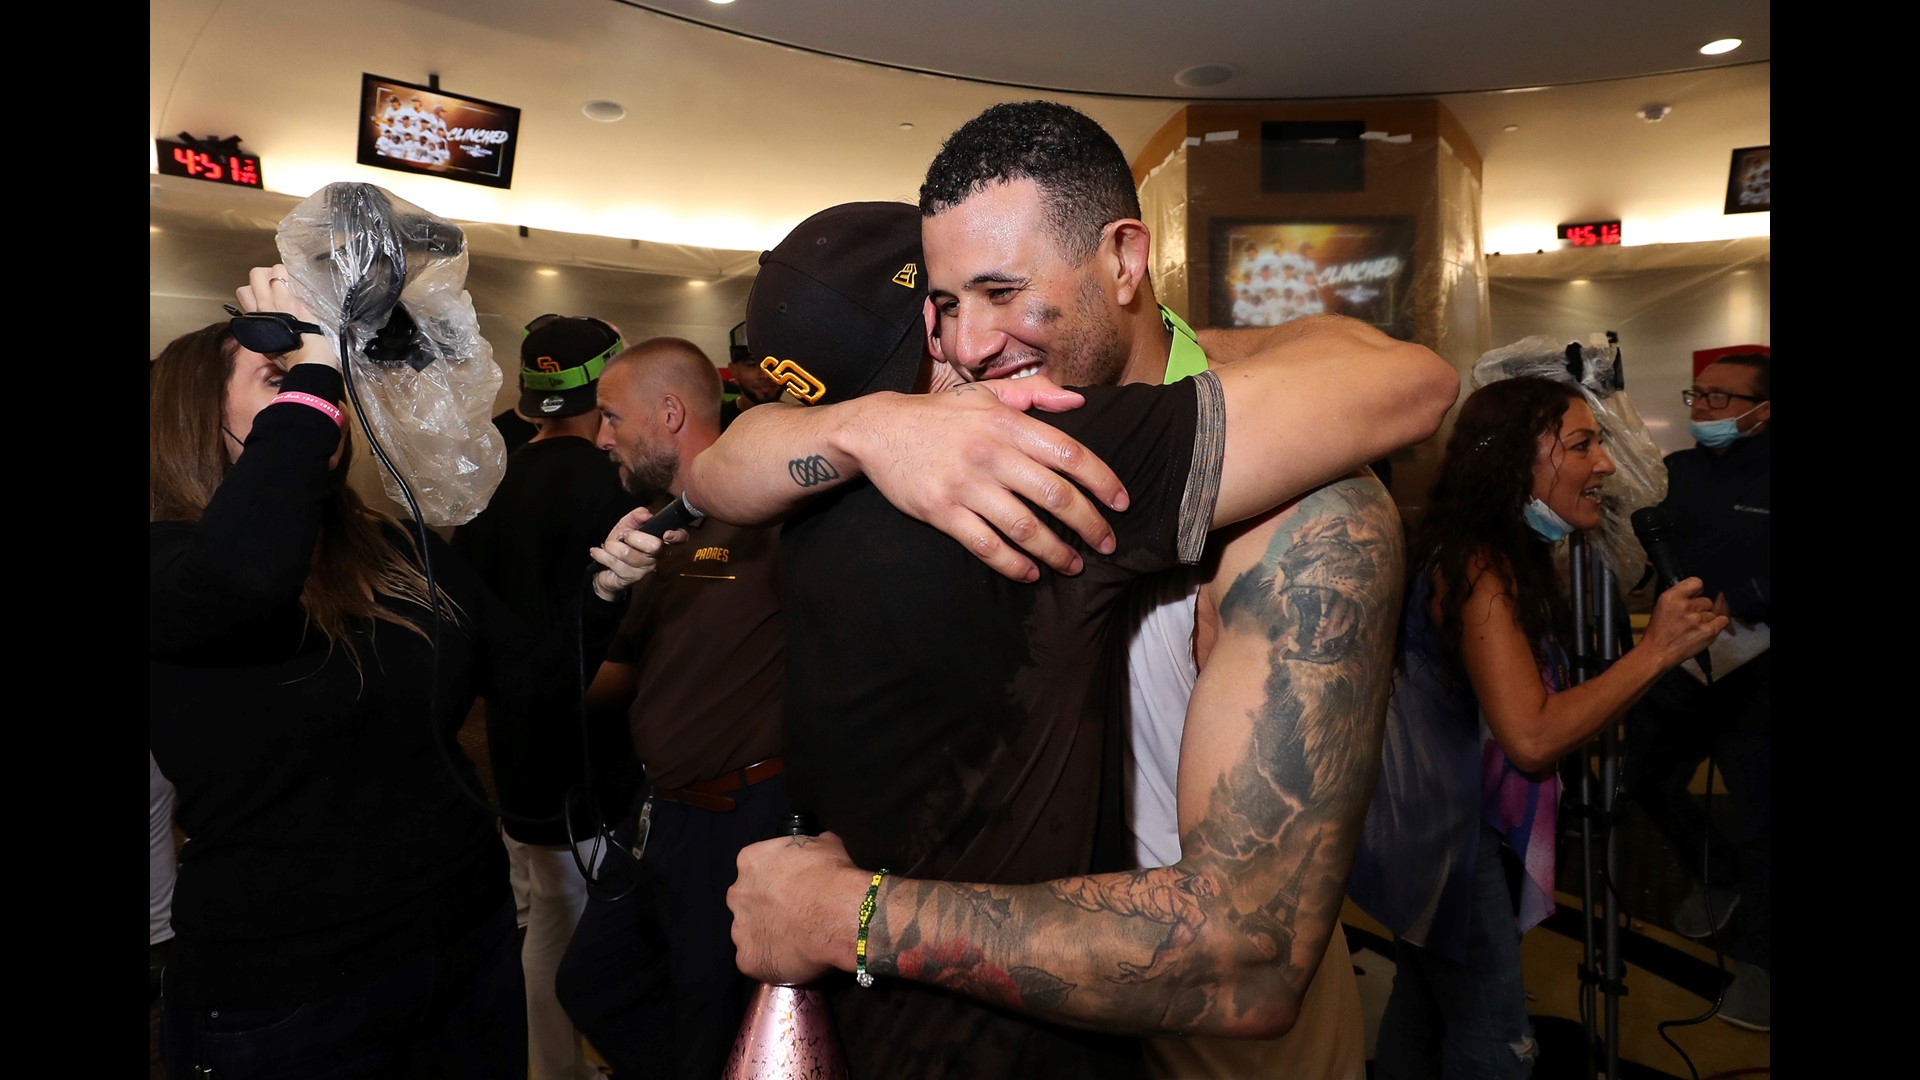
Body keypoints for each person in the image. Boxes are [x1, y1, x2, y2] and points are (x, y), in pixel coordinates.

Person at [697, 163, 1451, 1080]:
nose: (974, 344)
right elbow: (716, 467)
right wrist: (873, 428)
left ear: (1122, 261)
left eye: (1002, 293)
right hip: (1028, 1010)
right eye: (946, 305)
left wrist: (843, 916)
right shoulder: (918, 454)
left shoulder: (1286, 476)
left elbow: (1409, 380)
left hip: (1218, 1034)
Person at [150, 266, 668, 1079]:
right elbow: (249, 576)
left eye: (320, 378)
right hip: (292, 988)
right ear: (194, 414)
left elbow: (532, 688)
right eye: (277, 377)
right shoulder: (171, 563)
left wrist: (603, 590)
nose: (325, 394)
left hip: (462, 943)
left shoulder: (389, 546)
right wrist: (318, 367)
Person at [1347, 375, 1727, 1078]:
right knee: (1496, 1041)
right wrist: (1658, 652)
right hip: (1447, 845)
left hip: (1427, 831)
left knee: (1426, 1009)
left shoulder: (1498, 554)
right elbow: (1532, 737)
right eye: (1582, 445)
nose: (1606, 465)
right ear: (1516, 459)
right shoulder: (1475, 566)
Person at [552, 337, 790, 1080]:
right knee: (591, 984)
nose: (602, 437)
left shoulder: (771, 516)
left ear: (672, 412)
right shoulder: (654, 529)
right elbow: (611, 679)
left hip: (737, 820)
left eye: (613, 417)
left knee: (707, 1021)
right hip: (656, 814)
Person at [451, 313, 637, 1080]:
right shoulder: (610, 488)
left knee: (538, 908)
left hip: (510, 741)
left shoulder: (489, 481)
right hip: (585, 754)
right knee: (567, 927)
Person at [1626, 353, 1770, 1030]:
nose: (1702, 407)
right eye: (1699, 394)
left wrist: (1738, 600)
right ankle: (1716, 873)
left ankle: (1760, 967)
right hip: (1679, 662)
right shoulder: (1674, 473)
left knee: (1761, 819)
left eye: (1719, 397)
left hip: (1758, 669)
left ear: (1761, 410)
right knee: (1644, 777)